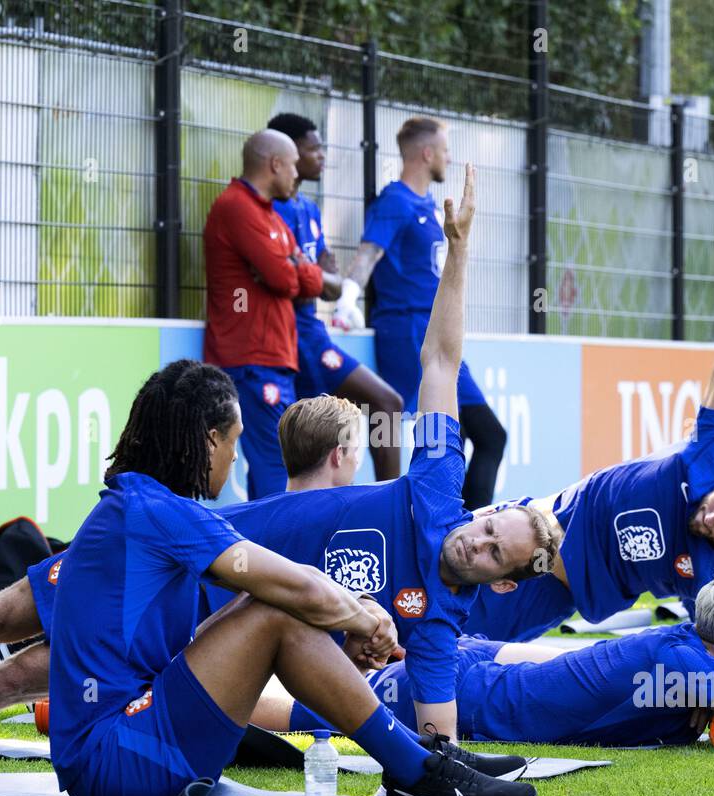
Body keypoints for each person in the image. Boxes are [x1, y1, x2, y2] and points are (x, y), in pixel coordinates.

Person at [0, 360, 538, 796]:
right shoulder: (157, 511)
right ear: (207, 439)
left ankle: (422, 766)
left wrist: (351, 618)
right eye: (234, 440)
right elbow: (285, 585)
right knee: (268, 612)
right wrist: (364, 613)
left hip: (118, 726)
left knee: (19, 651)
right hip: (119, 753)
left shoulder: (141, 505)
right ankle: (419, 774)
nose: (237, 456)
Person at [0, 396, 376, 741]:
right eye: (233, 439)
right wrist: (364, 621)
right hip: (137, 580)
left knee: (14, 679)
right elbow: (295, 597)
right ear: (342, 455)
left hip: (158, 622)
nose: (239, 452)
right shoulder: (320, 511)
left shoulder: (264, 508)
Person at [202, 164, 557, 743]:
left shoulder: (437, 623)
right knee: (39, 611)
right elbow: (440, 361)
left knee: (89, 658)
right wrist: (459, 250)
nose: (478, 539)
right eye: (490, 524)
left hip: (223, 632)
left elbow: (438, 740)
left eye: (494, 554)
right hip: (200, 546)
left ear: (500, 584)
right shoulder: (439, 484)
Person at [463, 210, 714, 645]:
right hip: (523, 526)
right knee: (412, 580)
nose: (709, 515)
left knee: (445, 656)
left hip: (549, 592)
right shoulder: (708, 457)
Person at [259, 570, 714, 748]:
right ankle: (186, 693)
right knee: (306, 711)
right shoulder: (689, 668)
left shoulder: (685, 652)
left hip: (485, 667)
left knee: (331, 694)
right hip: (460, 698)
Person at [335, 116, 506, 510]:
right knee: (474, 435)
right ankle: (456, 531)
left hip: (440, 332)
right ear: (427, 153)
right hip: (411, 332)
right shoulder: (395, 201)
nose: (449, 158)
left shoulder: (430, 205)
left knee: (464, 438)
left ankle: (454, 532)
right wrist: (346, 299)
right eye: (445, 150)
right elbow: (368, 254)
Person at [266, 113, 404, 482]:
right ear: (288, 153)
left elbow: (331, 279)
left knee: (331, 438)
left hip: (314, 330)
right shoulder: (270, 211)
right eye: (314, 148)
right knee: (385, 404)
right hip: (298, 337)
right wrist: (320, 279)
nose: (322, 155)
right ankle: (389, 499)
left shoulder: (308, 209)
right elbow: (307, 281)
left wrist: (320, 278)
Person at [202, 129, 322, 499]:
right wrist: (289, 269)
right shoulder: (236, 207)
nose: (296, 176)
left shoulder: (271, 216)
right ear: (275, 165)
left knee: (277, 465)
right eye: (293, 168)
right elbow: (282, 276)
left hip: (274, 360)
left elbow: (310, 279)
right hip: (249, 361)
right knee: (276, 465)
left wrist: (292, 268)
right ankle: (271, 553)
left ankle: (266, 552)